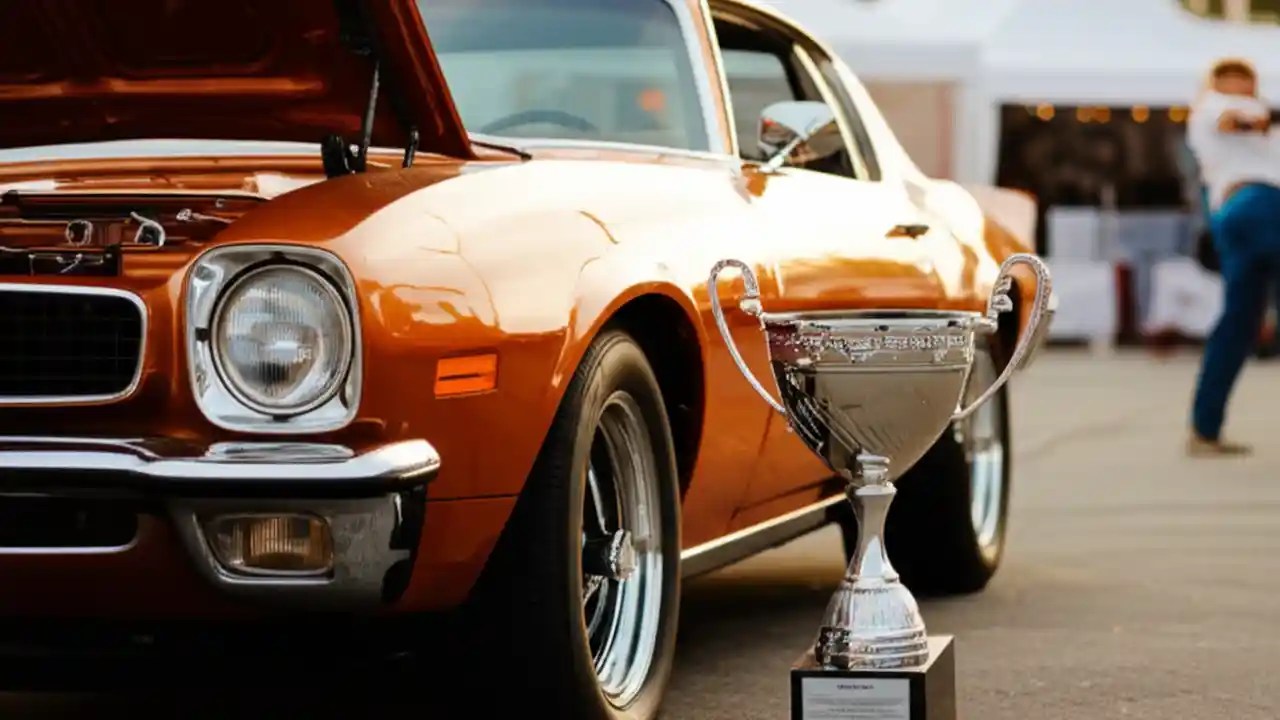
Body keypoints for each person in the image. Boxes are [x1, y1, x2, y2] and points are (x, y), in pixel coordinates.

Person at [1185, 57, 1280, 456]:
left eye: (1243, 78)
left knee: (1238, 323)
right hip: (1260, 205)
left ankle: (1205, 427)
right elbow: (1232, 120)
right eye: (1230, 78)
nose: (1237, 84)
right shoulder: (1213, 106)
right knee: (1239, 321)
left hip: (1232, 216)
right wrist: (1260, 119)